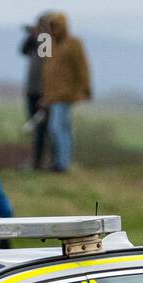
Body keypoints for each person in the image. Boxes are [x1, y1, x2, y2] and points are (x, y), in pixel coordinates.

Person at [39, 11, 91, 173]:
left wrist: (85, 89)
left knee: (57, 128)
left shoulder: (75, 43)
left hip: (66, 93)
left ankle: (62, 164)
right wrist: (44, 94)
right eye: (51, 26)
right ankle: (62, 162)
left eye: (56, 26)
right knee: (63, 128)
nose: (53, 30)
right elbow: (43, 65)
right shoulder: (48, 43)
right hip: (53, 94)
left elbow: (82, 67)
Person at [20, 15, 51, 170]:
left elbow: (45, 63)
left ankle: (39, 162)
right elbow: (22, 51)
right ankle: (37, 161)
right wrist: (31, 36)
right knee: (35, 127)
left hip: (41, 91)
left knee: (41, 129)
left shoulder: (45, 39)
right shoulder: (36, 39)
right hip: (32, 90)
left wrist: (46, 92)